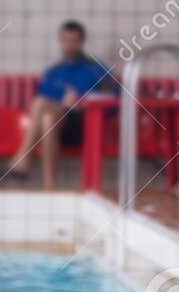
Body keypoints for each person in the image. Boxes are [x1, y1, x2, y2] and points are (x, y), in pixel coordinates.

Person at [7, 20, 113, 190]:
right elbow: (39, 104)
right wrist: (62, 102)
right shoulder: (53, 71)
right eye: (65, 40)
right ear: (60, 42)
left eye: (73, 41)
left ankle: (23, 158)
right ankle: (49, 185)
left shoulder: (96, 69)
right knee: (47, 115)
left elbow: (112, 100)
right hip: (55, 128)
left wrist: (82, 100)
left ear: (81, 42)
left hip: (84, 126)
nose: (69, 45)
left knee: (44, 107)